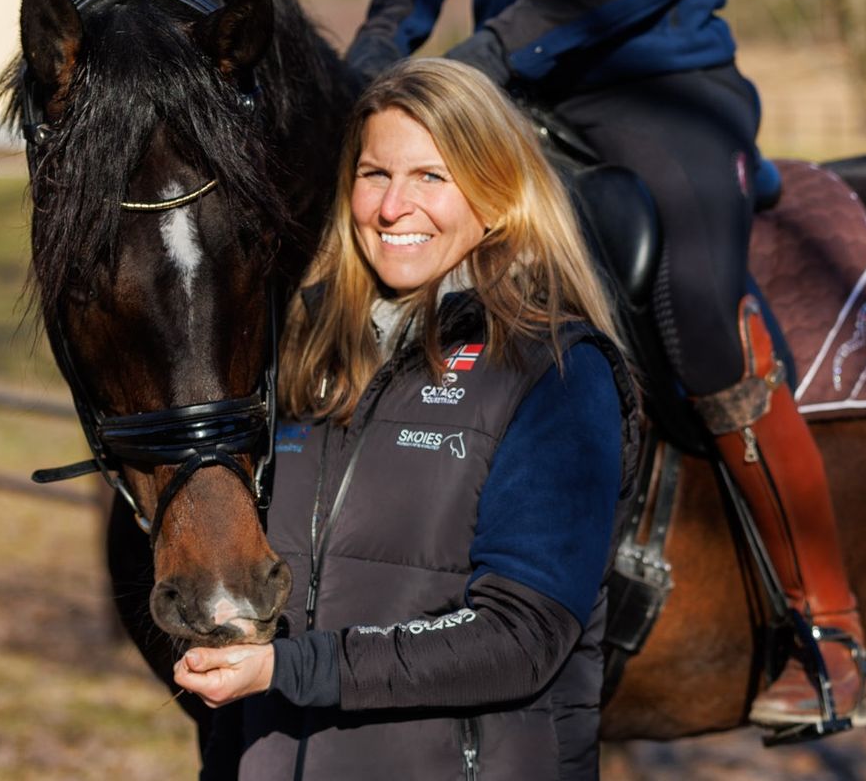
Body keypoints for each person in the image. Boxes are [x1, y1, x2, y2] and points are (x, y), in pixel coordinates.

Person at [343, 0, 866, 732]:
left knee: (696, 313)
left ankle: (824, 621)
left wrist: (503, 41)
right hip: (507, 89)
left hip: (661, 87)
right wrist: (377, 46)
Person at [173, 58, 641, 779]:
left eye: (431, 176)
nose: (393, 208)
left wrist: (290, 669)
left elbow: (521, 637)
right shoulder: (308, 358)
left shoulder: (554, 371)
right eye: (374, 174)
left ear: (498, 191)